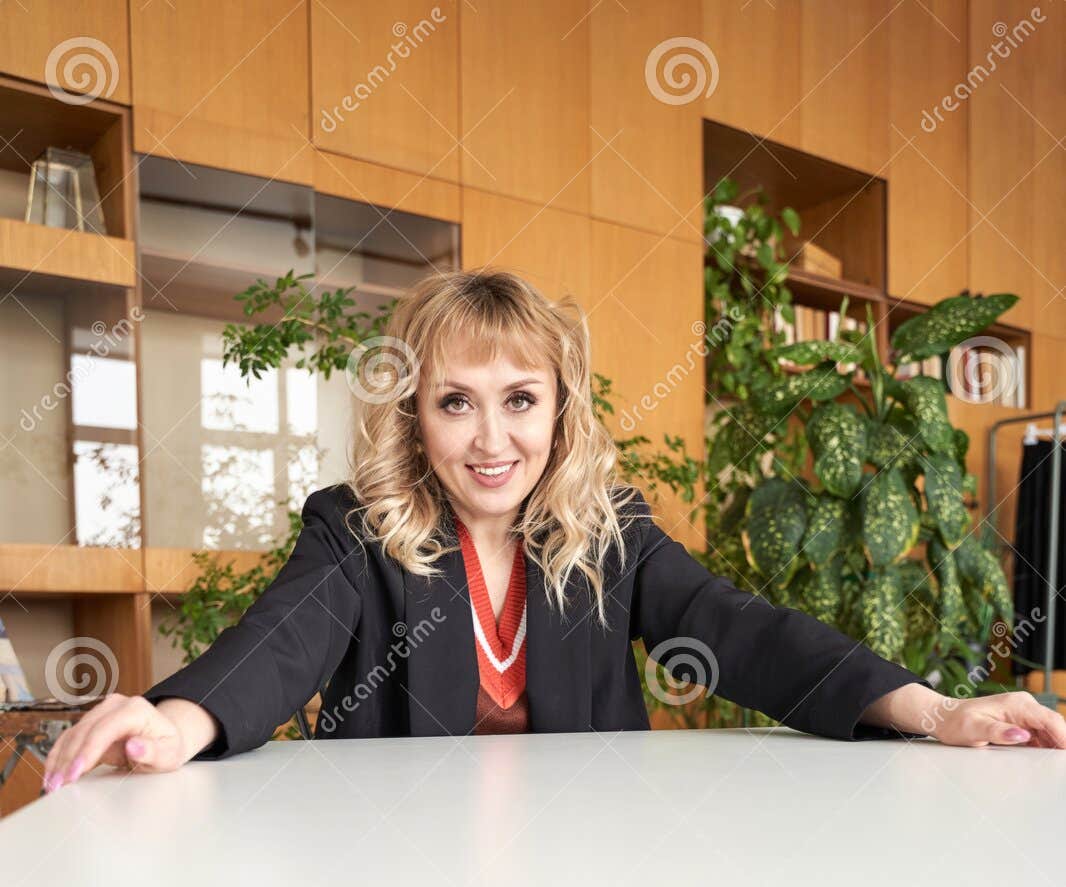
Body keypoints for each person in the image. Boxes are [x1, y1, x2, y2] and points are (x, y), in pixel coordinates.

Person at [41, 269, 1066, 792]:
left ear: (561, 410)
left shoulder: (609, 532)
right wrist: (177, 722)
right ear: (414, 414)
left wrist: (930, 711)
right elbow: (282, 641)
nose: (492, 440)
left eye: (520, 400)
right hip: (393, 885)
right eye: (455, 403)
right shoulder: (355, 531)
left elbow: (738, 629)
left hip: (582, 877)